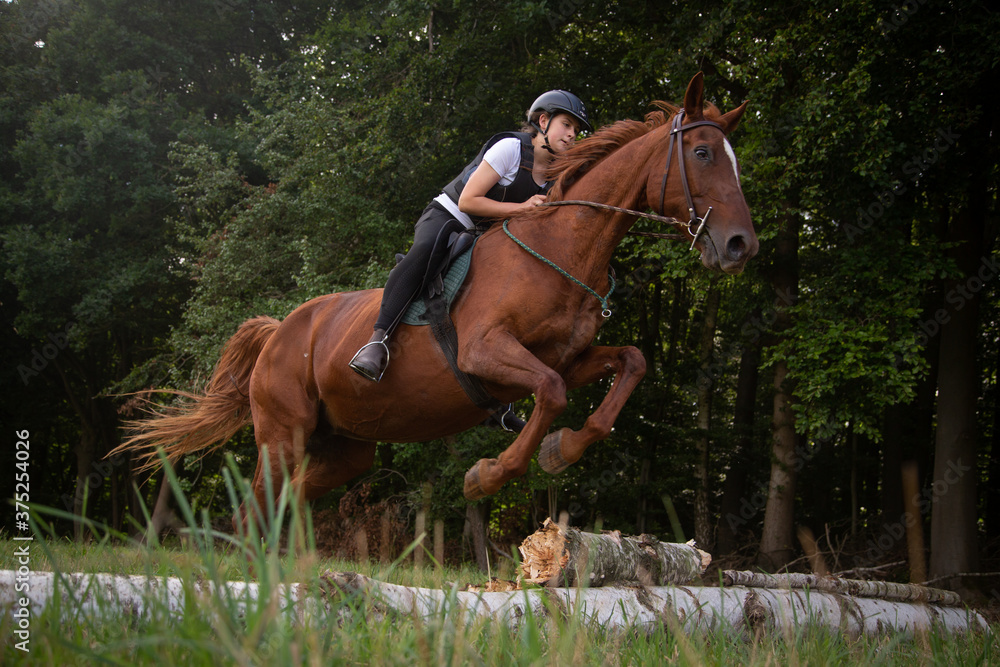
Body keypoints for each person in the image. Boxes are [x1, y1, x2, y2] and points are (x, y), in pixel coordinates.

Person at [349, 90, 592, 383]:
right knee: (425, 250)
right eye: (566, 125)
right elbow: (469, 201)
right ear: (543, 121)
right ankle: (377, 341)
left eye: (576, 131)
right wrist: (521, 209)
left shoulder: (557, 173)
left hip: (488, 233)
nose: (571, 135)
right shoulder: (510, 149)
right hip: (452, 216)